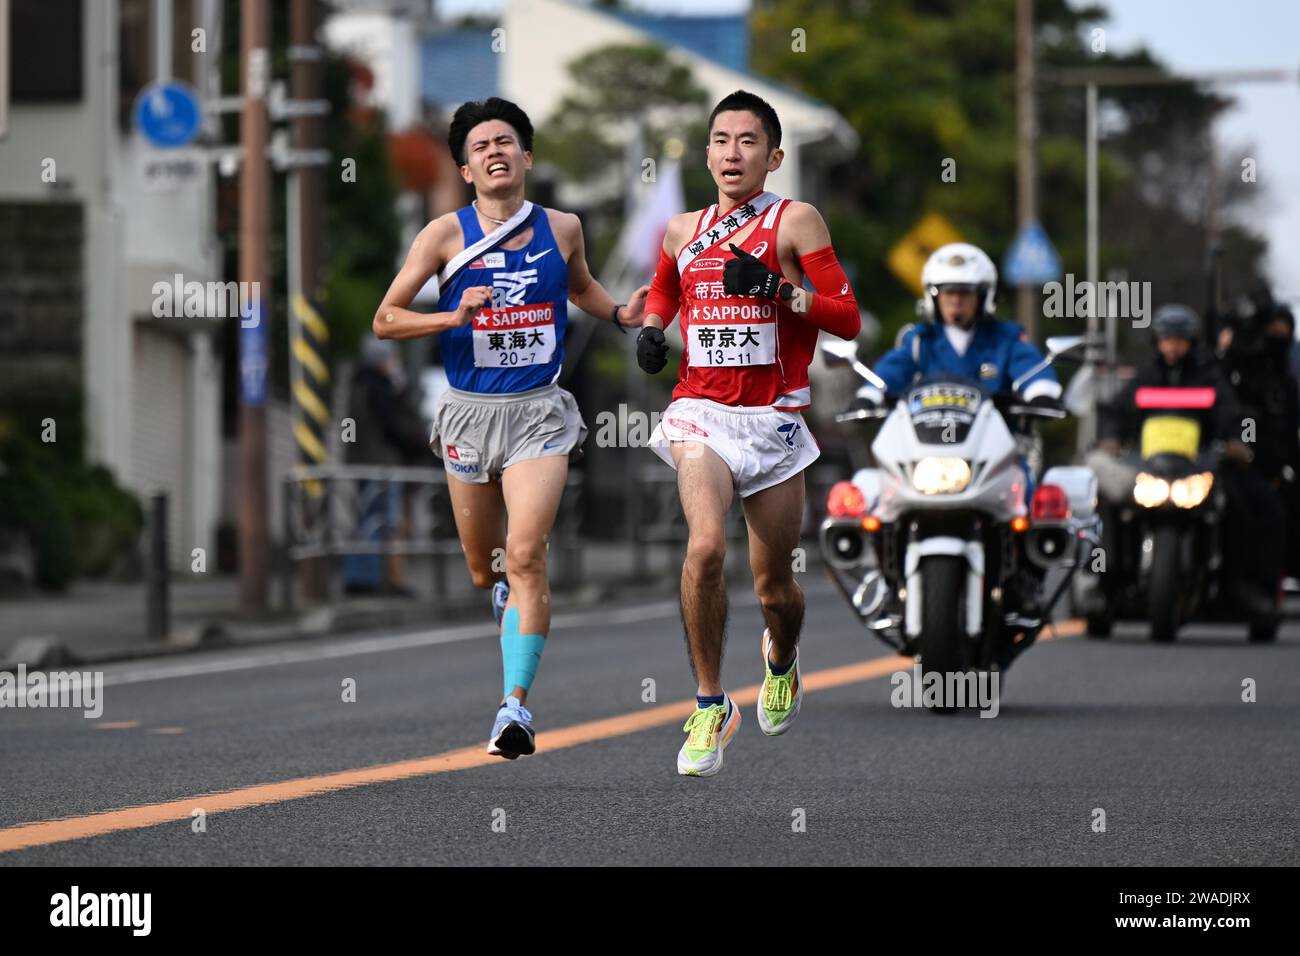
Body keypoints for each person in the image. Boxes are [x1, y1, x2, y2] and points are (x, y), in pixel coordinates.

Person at [374, 97, 647, 759]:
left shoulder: (564, 226)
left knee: (526, 554)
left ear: (526, 155)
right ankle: (508, 600)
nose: (494, 152)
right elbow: (386, 319)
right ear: (467, 170)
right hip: (470, 412)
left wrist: (618, 313)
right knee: (484, 566)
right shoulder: (443, 236)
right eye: (480, 148)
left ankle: (513, 709)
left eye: (505, 142)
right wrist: (450, 317)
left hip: (539, 413)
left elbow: (579, 287)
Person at [636, 90, 861, 776]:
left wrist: (777, 290)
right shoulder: (680, 230)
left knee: (774, 592)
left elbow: (845, 318)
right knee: (705, 547)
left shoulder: (796, 222)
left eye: (748, 142)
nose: (733, 154)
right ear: (706, 153)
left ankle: (781, 658)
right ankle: (710, 703)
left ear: (774, 156)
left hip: (774, 421)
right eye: (722, 141)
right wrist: (651, 328)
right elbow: (666, 288)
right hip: (700, 412)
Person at [341, 338, 430, 596]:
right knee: (382, 521)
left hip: (364, 462)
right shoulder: (378, 387)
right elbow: (393, 426)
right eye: (391, 358)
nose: (394, 363)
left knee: (370, 518)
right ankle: (368, 579)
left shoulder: (357, 385)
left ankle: (364, 577)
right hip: (380, 464)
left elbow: (353, 430)